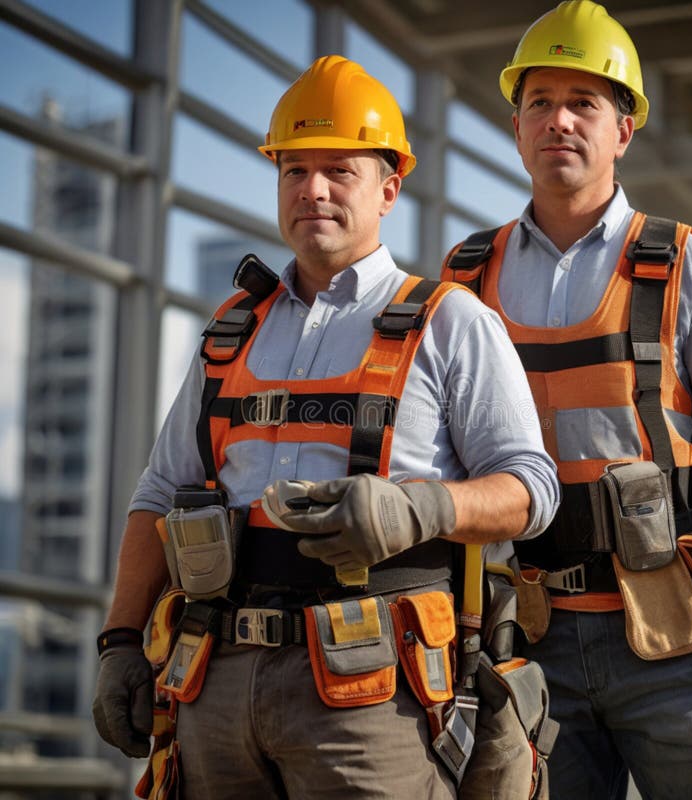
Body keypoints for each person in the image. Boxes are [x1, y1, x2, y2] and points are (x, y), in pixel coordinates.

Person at [92, 55, 559, 800]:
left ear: (389, 189)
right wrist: (120, 641)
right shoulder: (231, 330)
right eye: (293, 170)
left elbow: (534, 489)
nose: (313, 190)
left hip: (373, 696)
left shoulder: (450, 322)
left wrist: (423, 508)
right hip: (215, 683)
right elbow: (159, 493)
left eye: (339, 170)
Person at [441, 2, 692, 798]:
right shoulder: (463, 276)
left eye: (584, 104)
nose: (558, 121)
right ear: (516, 125)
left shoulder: (680, 263)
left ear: (622, 130)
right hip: (527, 639)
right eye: (540, 103)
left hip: (677, 634)